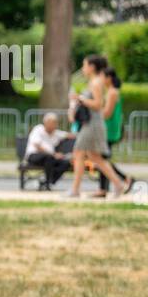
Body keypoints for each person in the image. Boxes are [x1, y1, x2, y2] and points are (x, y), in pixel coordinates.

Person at [67, 55, 131, 199]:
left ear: (92, 67)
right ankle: (118, 184)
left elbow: (97, 104)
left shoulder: (96, 82)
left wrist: (80, 99)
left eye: (85, 65)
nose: (83, 69)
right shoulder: (94, 82)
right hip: (92, 123)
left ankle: (75, 190)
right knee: (95, 156)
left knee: (79, 153)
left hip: (93, 124)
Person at [94, 67, 129, 198]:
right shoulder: (109, 91)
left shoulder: (112, 92)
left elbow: (107, 113)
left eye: (102, 77)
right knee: (102, 159)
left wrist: (94, 116)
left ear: (108, 78)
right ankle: (104, 188)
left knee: (102, 159)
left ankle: (124, 179)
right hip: (107, 129)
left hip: (109, 130)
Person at [23, 112, 71, 188]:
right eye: (52, 123)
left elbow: (69, 135)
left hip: (50, 158)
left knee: (65, 163)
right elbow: (37, 146)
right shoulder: (38, 129)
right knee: (48, 158)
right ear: (46, 122)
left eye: (55, 123)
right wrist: (54, 154)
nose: (54, 125)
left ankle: (47, 182)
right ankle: (47, 183)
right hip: (34, 155)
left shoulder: (56, 133)